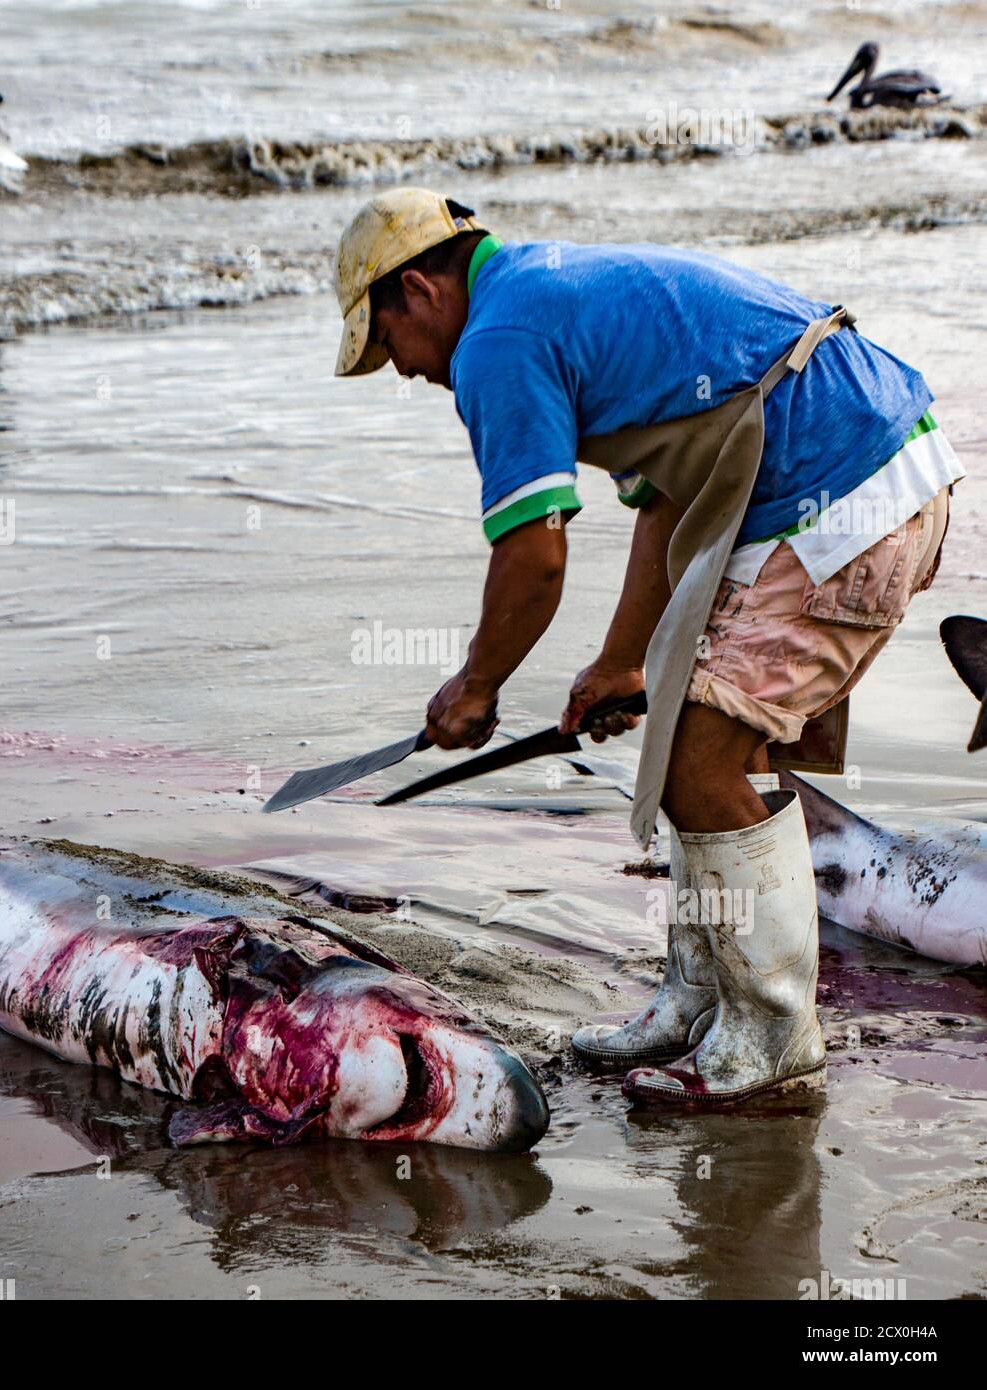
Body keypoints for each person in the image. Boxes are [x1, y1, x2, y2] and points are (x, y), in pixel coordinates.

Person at [331, 187, 961, 1105]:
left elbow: (534, 552)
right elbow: (666, 500)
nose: (401, 371)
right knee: (681, 746)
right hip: (866, 463)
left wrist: (477, 686)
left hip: (843, 488)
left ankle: (773, 1036)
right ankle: (701, 1000)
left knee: (701, 763)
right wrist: (625, 663)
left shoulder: (495, 343)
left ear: (420, 291)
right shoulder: (555, 292)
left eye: (386, 344)